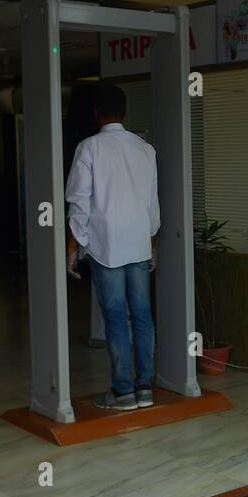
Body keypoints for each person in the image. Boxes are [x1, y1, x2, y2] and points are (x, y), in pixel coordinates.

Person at [65, 84, 159, 412]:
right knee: (143, 315)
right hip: (138, 242)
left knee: (116, 317)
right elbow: (151, 204)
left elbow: (79, 203)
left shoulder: (89, 148)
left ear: (96, 113)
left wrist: (73, 245)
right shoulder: (145, 149)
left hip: (107, 245)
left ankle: (122, 393)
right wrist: (150, 241)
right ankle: (145, 387)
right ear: (125, 112)